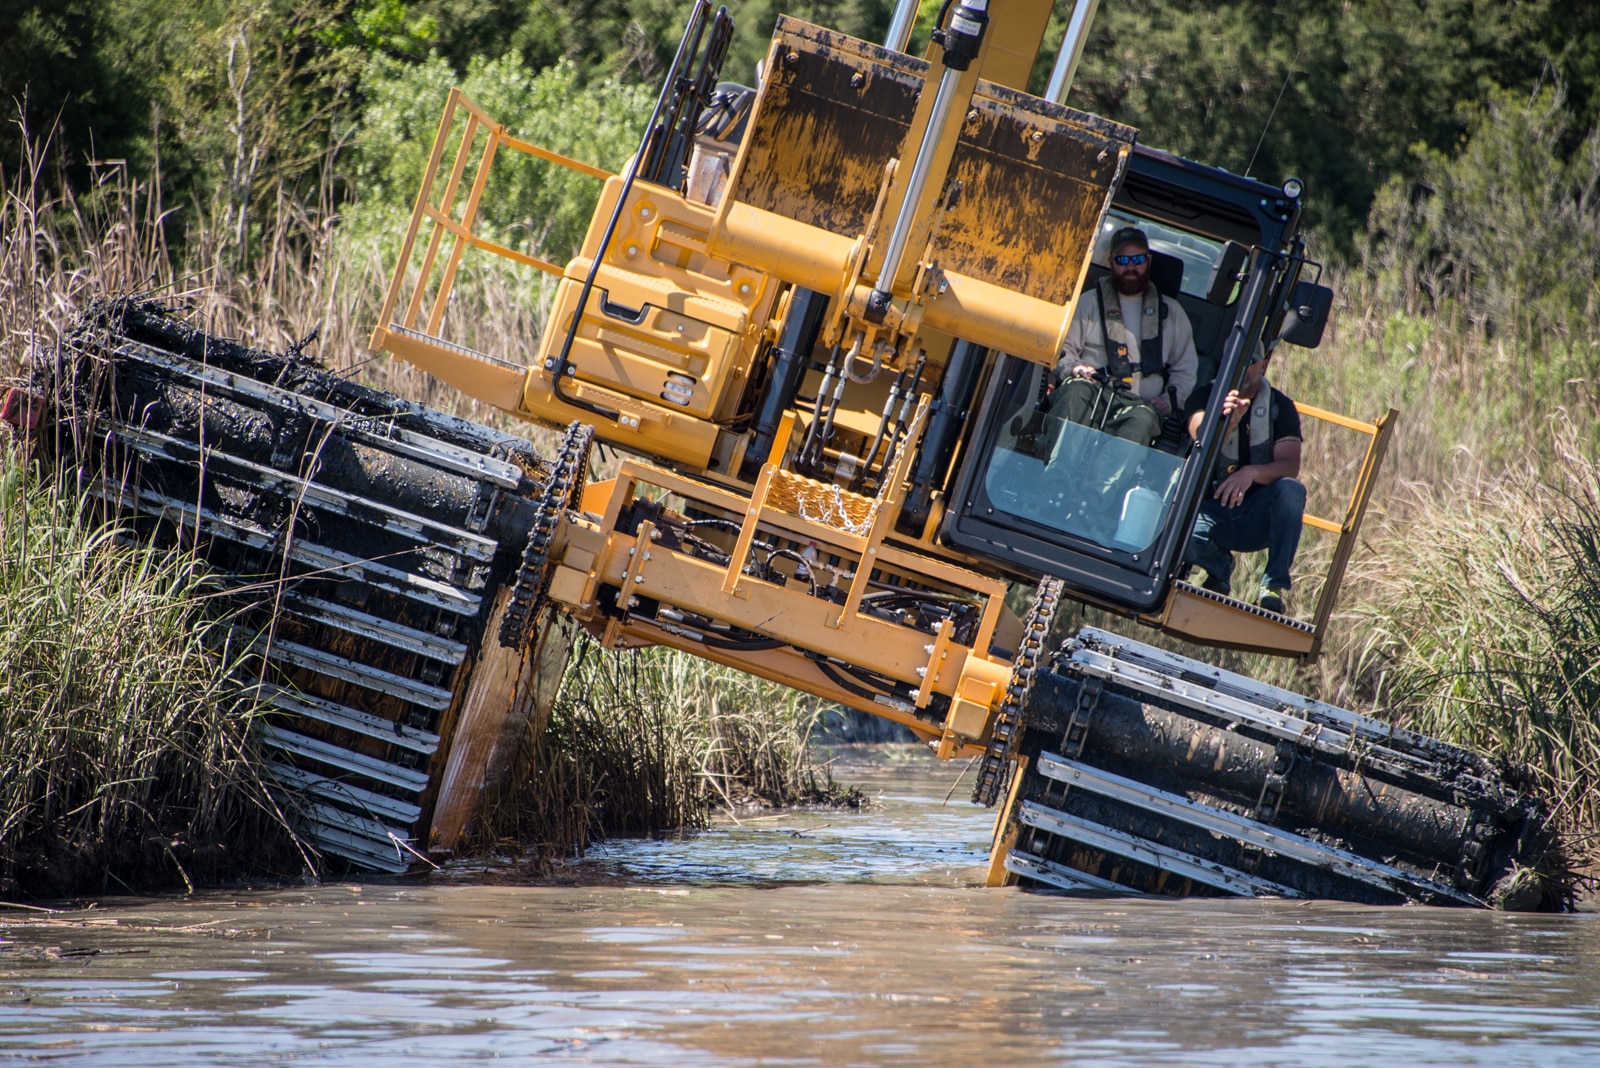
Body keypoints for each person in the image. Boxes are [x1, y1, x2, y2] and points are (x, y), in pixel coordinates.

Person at [1182, 340, 1305, 613]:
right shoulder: (1204, 397)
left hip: (1255, 516)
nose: (1244, 368)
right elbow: (1200, 437)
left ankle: (1272, 586)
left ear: (1263, 364)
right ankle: (1220, 570)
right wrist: (1230, 422)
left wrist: (1251, 473)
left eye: (1251, 361)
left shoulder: (1280, 406)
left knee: (1292, 491)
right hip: (1210, 512)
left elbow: (1290, 465)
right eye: (1236, 360)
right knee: (1180, 530)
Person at [1049, 226, 1199, 446]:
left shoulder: (1172, 312)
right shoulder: (1089, 301)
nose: (1130, 267)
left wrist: (1169, 400)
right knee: (1073, 395)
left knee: (1142, 420)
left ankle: (1103, 483)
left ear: (1148, 261)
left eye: (1137, 260)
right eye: (1122, 260)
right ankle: (1055, 476)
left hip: (1140, 403)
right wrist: (1074, 368)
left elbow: (1185, 369)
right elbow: (1062, 349)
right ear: (1111, 262)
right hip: (1090, 389)